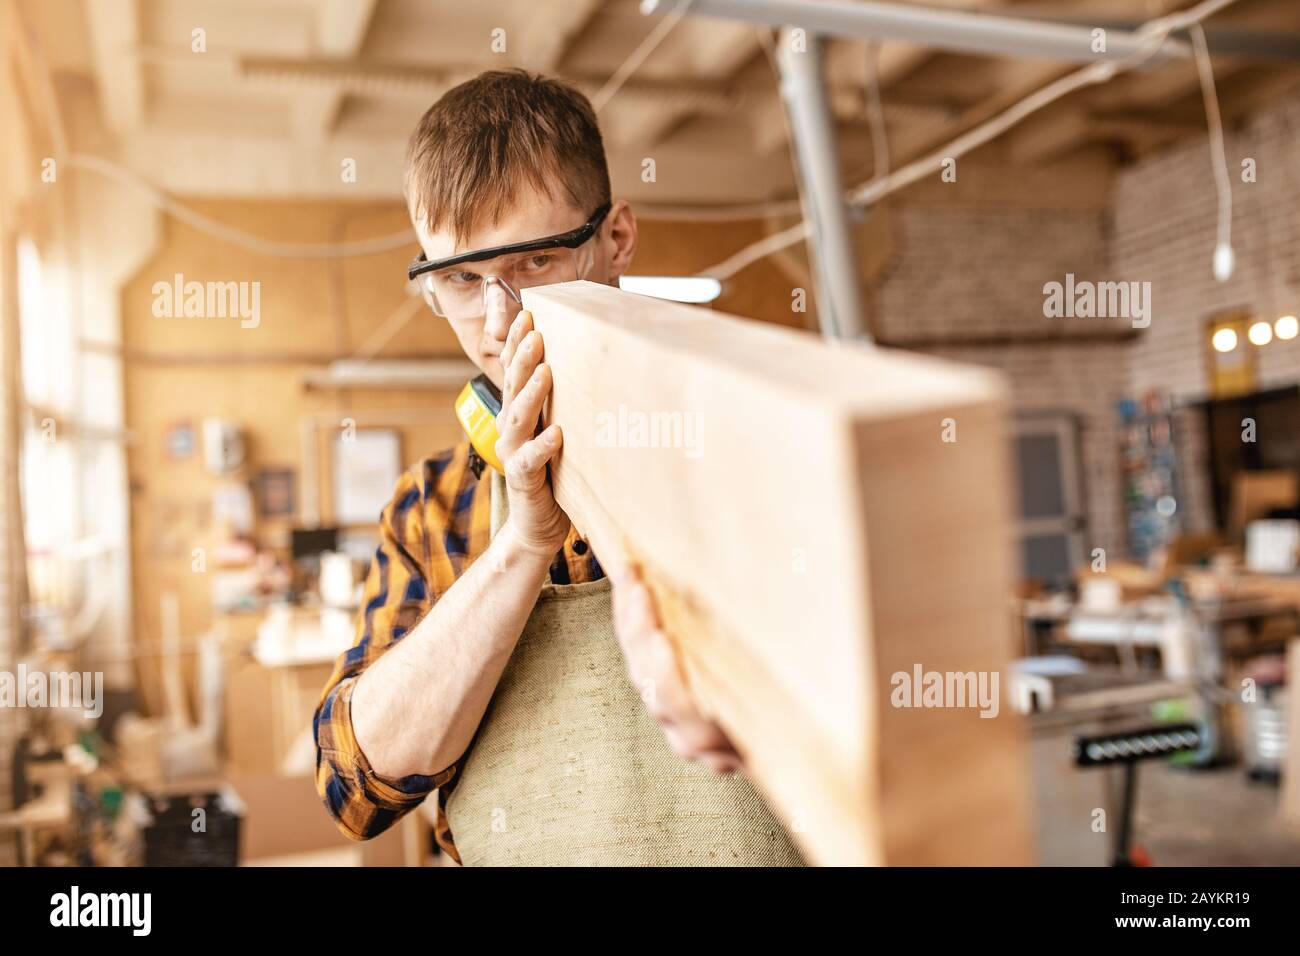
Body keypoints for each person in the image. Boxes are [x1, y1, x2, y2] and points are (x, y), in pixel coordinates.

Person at [313, 69, 802, 866]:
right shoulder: (431, 507)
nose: (499, 320)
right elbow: (353, 789)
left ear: (615, 238)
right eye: (463, 280)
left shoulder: (741, 448)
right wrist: (522, 547)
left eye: (535, 262)